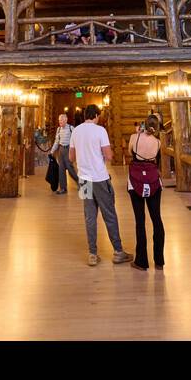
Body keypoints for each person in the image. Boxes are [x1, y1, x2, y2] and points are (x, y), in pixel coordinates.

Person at [69, 104, 130, 266]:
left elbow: (71, 157)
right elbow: (109, 156)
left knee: (90, 217)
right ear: (95, 115)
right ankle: (118, 251)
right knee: (109, 214)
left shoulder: (76, 131)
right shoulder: (100, 131)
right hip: (100, 179)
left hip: (84, 180)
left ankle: (92, 254)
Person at [127, 114, 166, 271]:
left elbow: (131, 153)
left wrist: (138, 134)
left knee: (140, 220)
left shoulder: (134, 137)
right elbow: (156, 157)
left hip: (136, 178)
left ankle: (142, 261)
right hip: (153, 179)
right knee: (156, 218)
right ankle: (159, 261)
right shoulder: (158, 142)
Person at [49, 112, 76, 194]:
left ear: (66, 120)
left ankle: (80, 182)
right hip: (60, 150)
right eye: (59, 120)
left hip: (68, 150)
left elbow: (76, 140)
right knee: (61, 169)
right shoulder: (59, 129)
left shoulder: (71, 128)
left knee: (70, 168)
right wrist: (52, 151)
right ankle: (63, 188)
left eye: (61, 120)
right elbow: (56, 142)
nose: (60, 122)